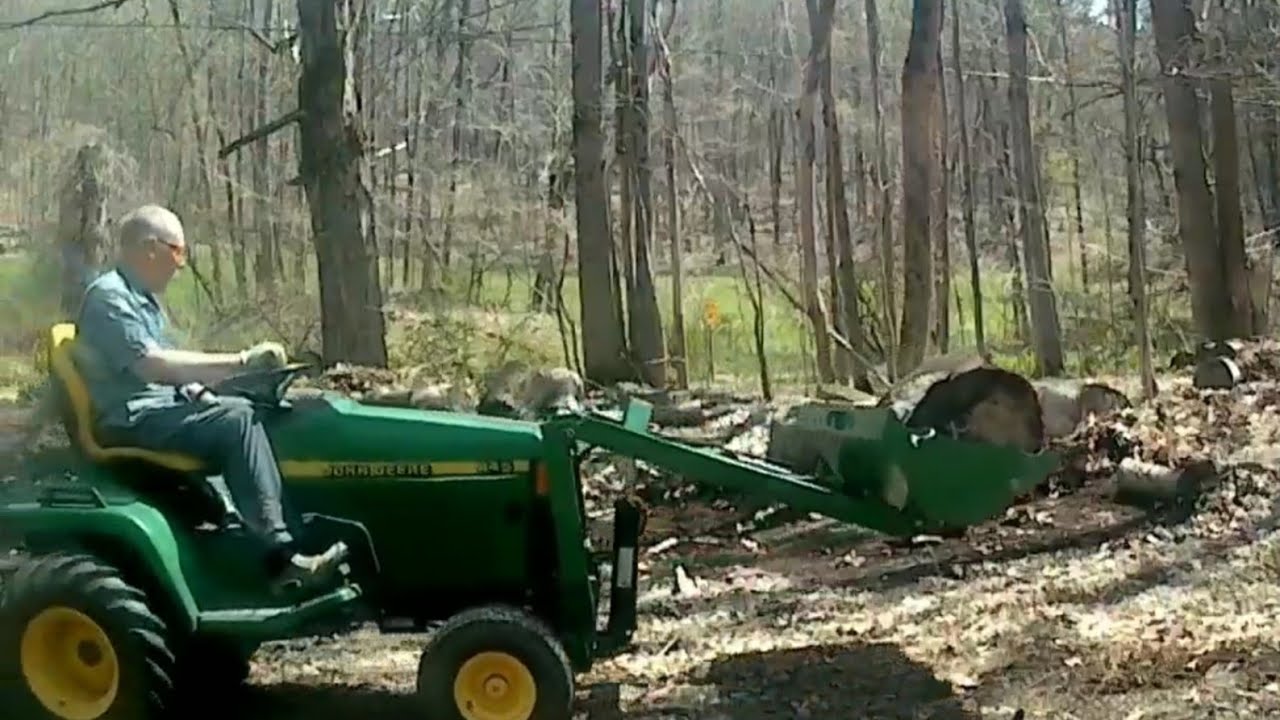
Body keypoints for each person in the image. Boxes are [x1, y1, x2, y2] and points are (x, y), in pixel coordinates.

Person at [73, 204, 347, 594]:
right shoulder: (108, 298)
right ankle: (281, 557)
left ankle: (267, 526)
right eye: (177, 251)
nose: (181, 265)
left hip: (156, 409)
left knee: (255, 409)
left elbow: (171, 371)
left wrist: (199, 389)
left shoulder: (143, 300)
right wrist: (239, 361)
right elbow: (151, 366)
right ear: (150, 248)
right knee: (236, 420)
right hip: (129, 419)